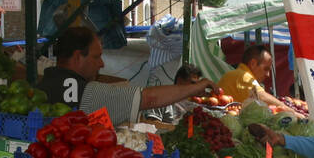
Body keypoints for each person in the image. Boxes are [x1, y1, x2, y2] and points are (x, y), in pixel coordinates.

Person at [38, 26, 210, 125]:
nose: (102, 64)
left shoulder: (43, 84)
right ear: (77, 57)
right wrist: (195, 87)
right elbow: (148, 98)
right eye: (96, 57)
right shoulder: (85, 92)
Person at [219, 44, 284, 110]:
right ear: (253, 63)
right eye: (266, 69)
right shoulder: (243, 76)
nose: (268, 74)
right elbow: (261, 97)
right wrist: (290, 111)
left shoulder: (237, 74)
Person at [140, 62, 205, 125]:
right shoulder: (161, 98)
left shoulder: (194, 105)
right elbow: (152, 124)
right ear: (180, 80)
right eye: (193, 83)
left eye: (197, 84)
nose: (196, 88)